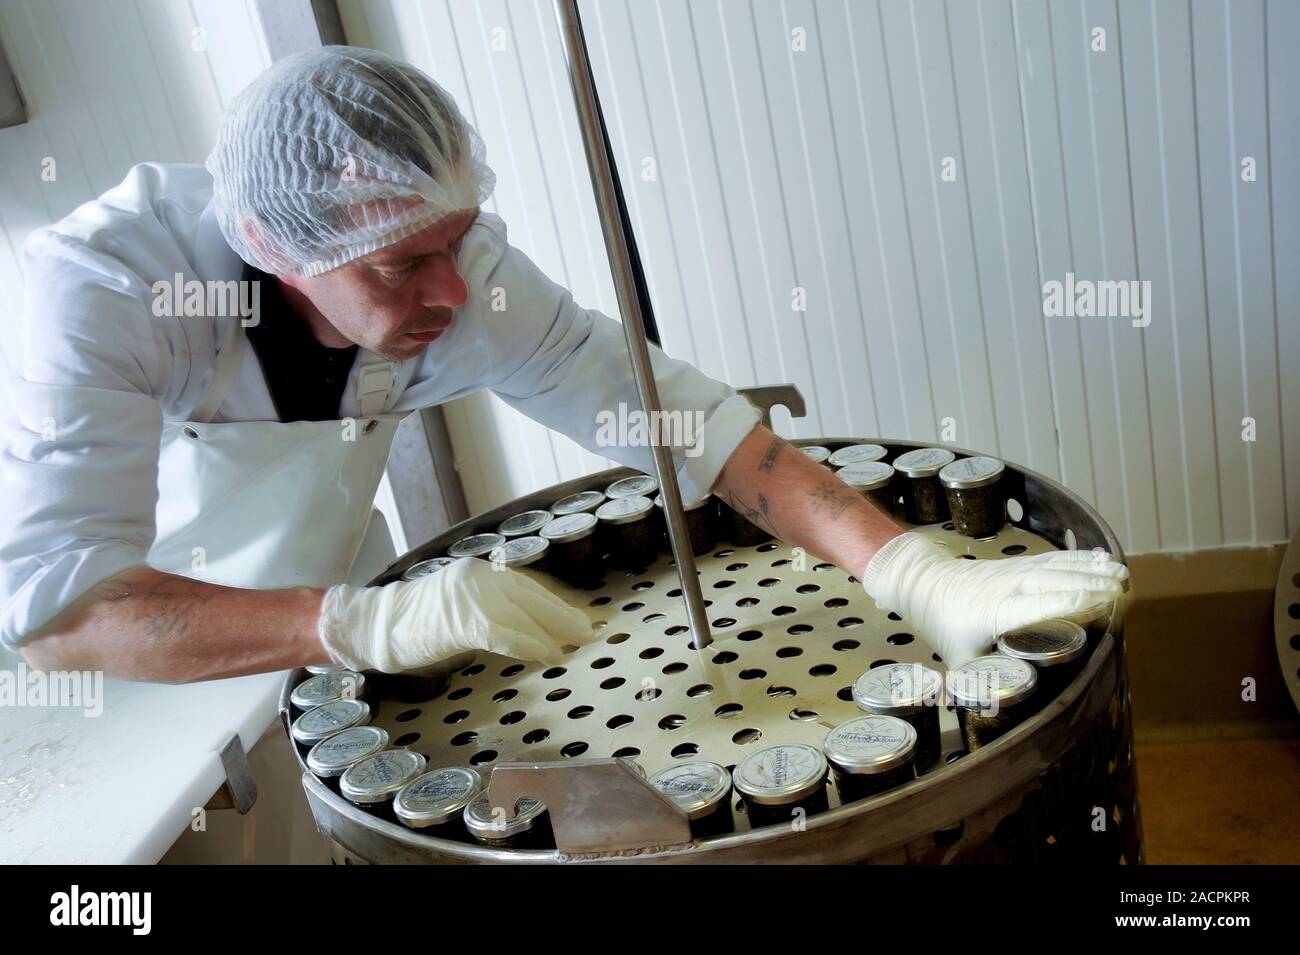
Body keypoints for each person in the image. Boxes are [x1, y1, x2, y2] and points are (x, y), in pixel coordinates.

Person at [1, 47, 1125, 683]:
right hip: (120, 676)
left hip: (314, 610)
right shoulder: (100, 298)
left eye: (460, 238)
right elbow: (60, 609)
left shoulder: (450, 271)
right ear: (279, 252)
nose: (451, 291)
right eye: (402, 266)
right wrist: (361, 625)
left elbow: (676, 420)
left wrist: (910, 570)